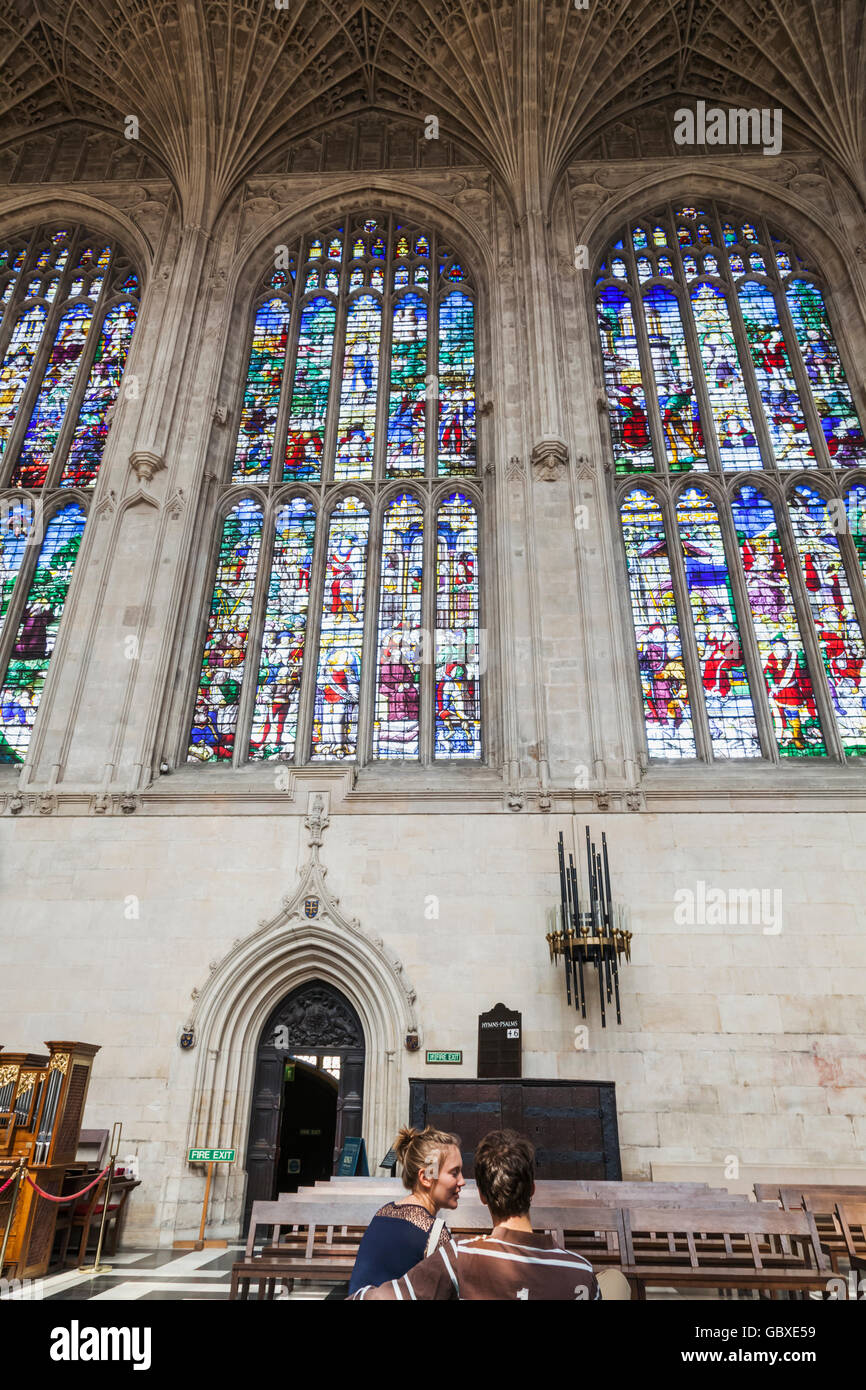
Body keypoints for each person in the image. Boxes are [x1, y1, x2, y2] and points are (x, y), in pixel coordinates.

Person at [349, 1129, 628, 1300]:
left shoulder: (452, 1254)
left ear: (483, 1196)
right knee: (615, 1281)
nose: (461, 1181)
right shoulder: (581, 1271)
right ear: (532, 1189)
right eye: (455, 1172)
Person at [345, 1126, 464, 1297]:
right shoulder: (434, 1233)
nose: (462, 1181)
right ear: (426, 1178)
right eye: (454, 1173)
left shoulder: (383, 1212)